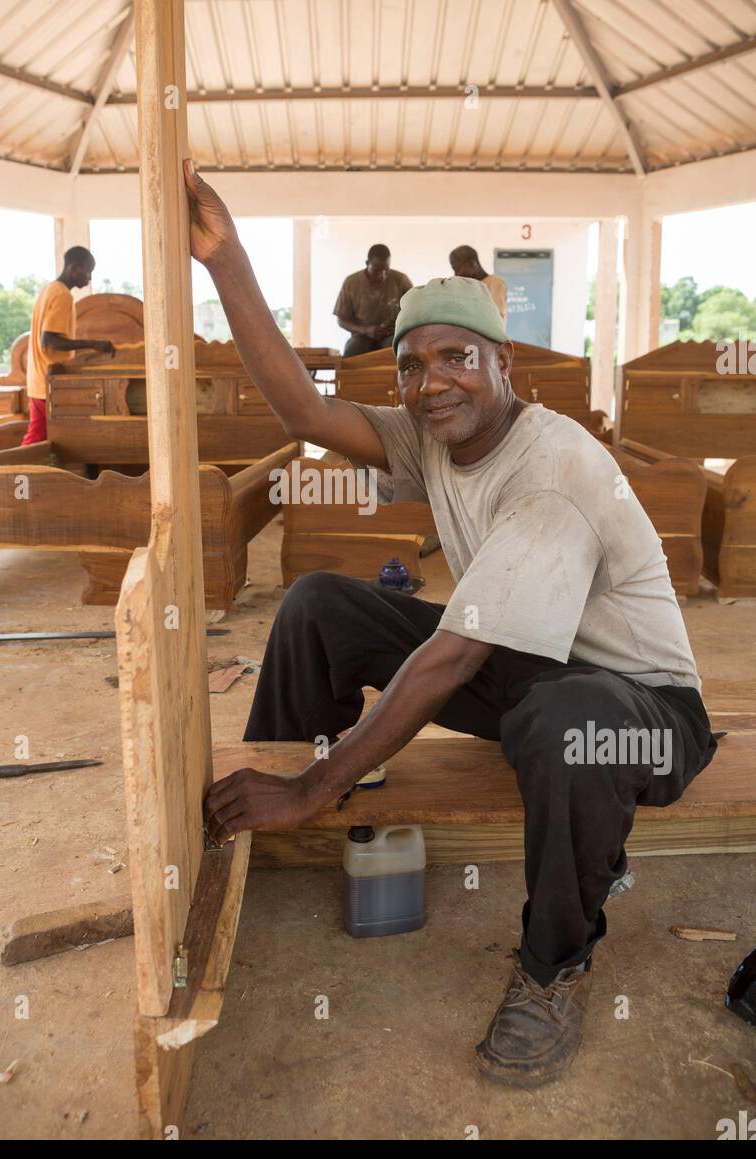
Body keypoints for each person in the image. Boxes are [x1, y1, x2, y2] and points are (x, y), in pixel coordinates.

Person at [183, 162, 718, 1089]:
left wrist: (319, 779)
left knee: (558, 722)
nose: (431, 384)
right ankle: (283, 835)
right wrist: (227, 262)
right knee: (318, 601)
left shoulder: (552, 472)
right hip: (531, 667)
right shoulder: (434, 433)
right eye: (412, 366)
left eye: (456, 359)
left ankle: (557, 964)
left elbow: (453, 655)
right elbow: (306, 409)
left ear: (503, 364)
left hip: (642, 715)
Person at [21, 247, 114, 446]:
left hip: (41, 380)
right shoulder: (62, 295)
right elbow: (49, 340)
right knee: (36, 440)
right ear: (74, 269)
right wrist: (93, 344)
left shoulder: (49, 289)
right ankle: (12, 476)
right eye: (88, 272)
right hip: (48, 382)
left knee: (44, 439)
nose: (89, 279)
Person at [334, 244, 412, 357]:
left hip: (392, 335)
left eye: (386, 270)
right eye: (376, 271)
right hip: (361, 335)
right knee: (351, 351)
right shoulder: (351, 283)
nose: (382, 275)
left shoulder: (401, 280)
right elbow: (342, 319)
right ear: (367, 264)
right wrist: (366, 330)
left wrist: (399, 329)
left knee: (397, 351)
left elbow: (414, 312)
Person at [449, 244, 507, 322]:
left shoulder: (495, 283)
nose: (456, 274)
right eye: (454, 269)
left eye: (458, 268)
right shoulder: (467, 286)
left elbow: (496, 317)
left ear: (472, 263)